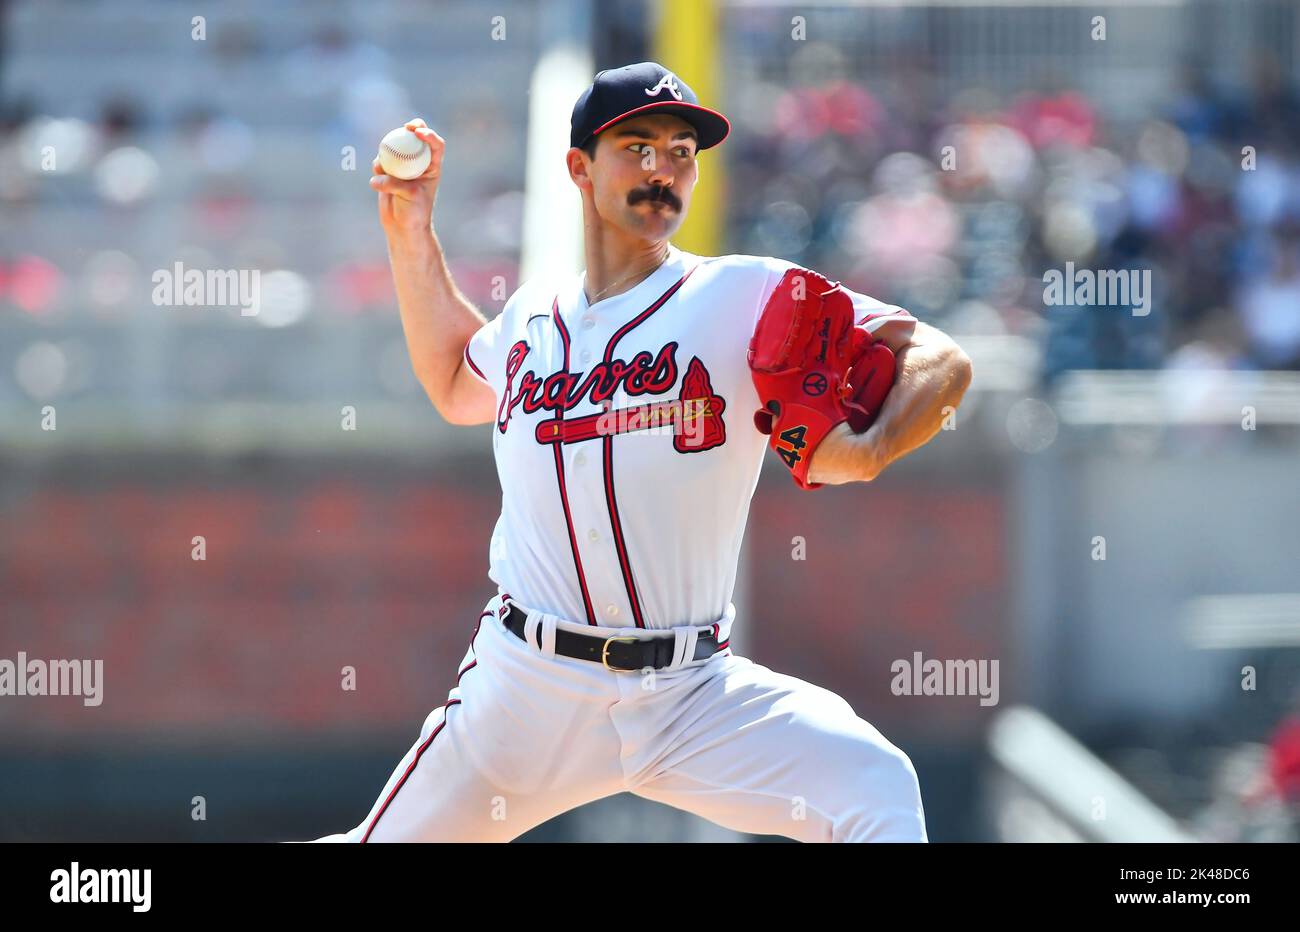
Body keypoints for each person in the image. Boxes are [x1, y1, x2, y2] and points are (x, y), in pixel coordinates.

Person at [322, 62, 971, 843]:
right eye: (638, 146)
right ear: (579, 166)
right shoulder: (534, 314)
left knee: (874, 783)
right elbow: (457, 381)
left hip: (691, 694)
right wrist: (410, 232)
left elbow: (938, 355)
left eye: (682, 151)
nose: (664, 169)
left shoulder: (746, 293)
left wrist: (870, 447)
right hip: (524, 692)